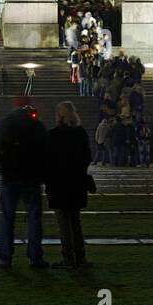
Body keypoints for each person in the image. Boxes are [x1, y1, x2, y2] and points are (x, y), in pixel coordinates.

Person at [0, 101, 49, 269]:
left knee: (7, 218)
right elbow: (46, 152)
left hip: (10, 177)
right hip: (31, 178)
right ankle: (35, 257)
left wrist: (3, 169)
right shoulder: (37, 126)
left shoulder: (5, 124)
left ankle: (5, 257)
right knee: (34, 219)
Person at [45, 102, 92, 269]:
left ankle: (68, 259)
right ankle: (81, 257)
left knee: (64, 223)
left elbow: (47, 161)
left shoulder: (53, 135)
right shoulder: (81, 133)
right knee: (75, 222)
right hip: (77, 183)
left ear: (60, 115)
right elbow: (87, 157)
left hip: (59, 185)